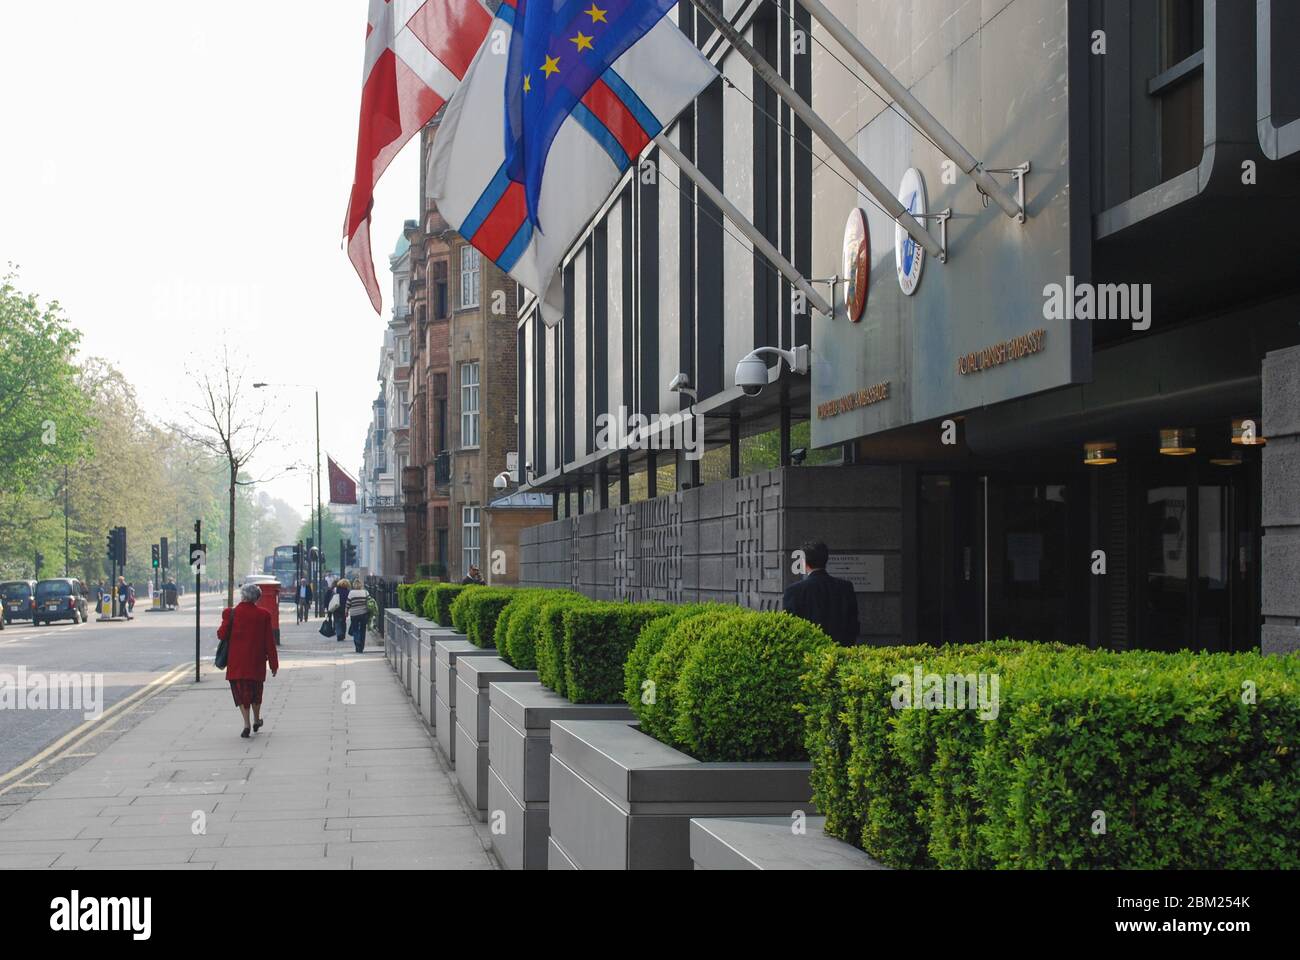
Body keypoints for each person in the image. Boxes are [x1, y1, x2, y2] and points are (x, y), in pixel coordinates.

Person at [218, 583, 279, 738]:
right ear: (257, 598)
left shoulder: (230, 613)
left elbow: (221, 634)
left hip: (236, 662)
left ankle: (246, 724)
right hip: (256, 661)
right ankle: (257, 719)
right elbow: (269, 642)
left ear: (243, 596)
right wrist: (273, 664)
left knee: (241, 693)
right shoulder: (264, 615)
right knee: (256, 692)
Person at [782, 541, 860, 646]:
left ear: (804, 562)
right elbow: (853, 624)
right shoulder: (845, 587)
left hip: (808, 651)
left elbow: (789, 628)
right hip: (841, 651)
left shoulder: (794, 591)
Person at [346, 580, 371, 653]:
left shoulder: (351, 593)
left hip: (354, 614)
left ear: (354, 585)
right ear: (361, 585)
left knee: (355, 629)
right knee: (363, 630)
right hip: (364, 613)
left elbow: (348, 603)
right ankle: (361, 647)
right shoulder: (365, 592)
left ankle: (357, 643)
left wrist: (346, 611)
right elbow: (369, 602)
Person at [328, 578, 351, 642]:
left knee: (337, 621)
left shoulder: (336, 589)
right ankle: (343, 634)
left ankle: (339, 634)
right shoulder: (348, 591)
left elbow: (332, 598)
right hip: (344, 608)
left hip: (336, 607)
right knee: (343, 621)